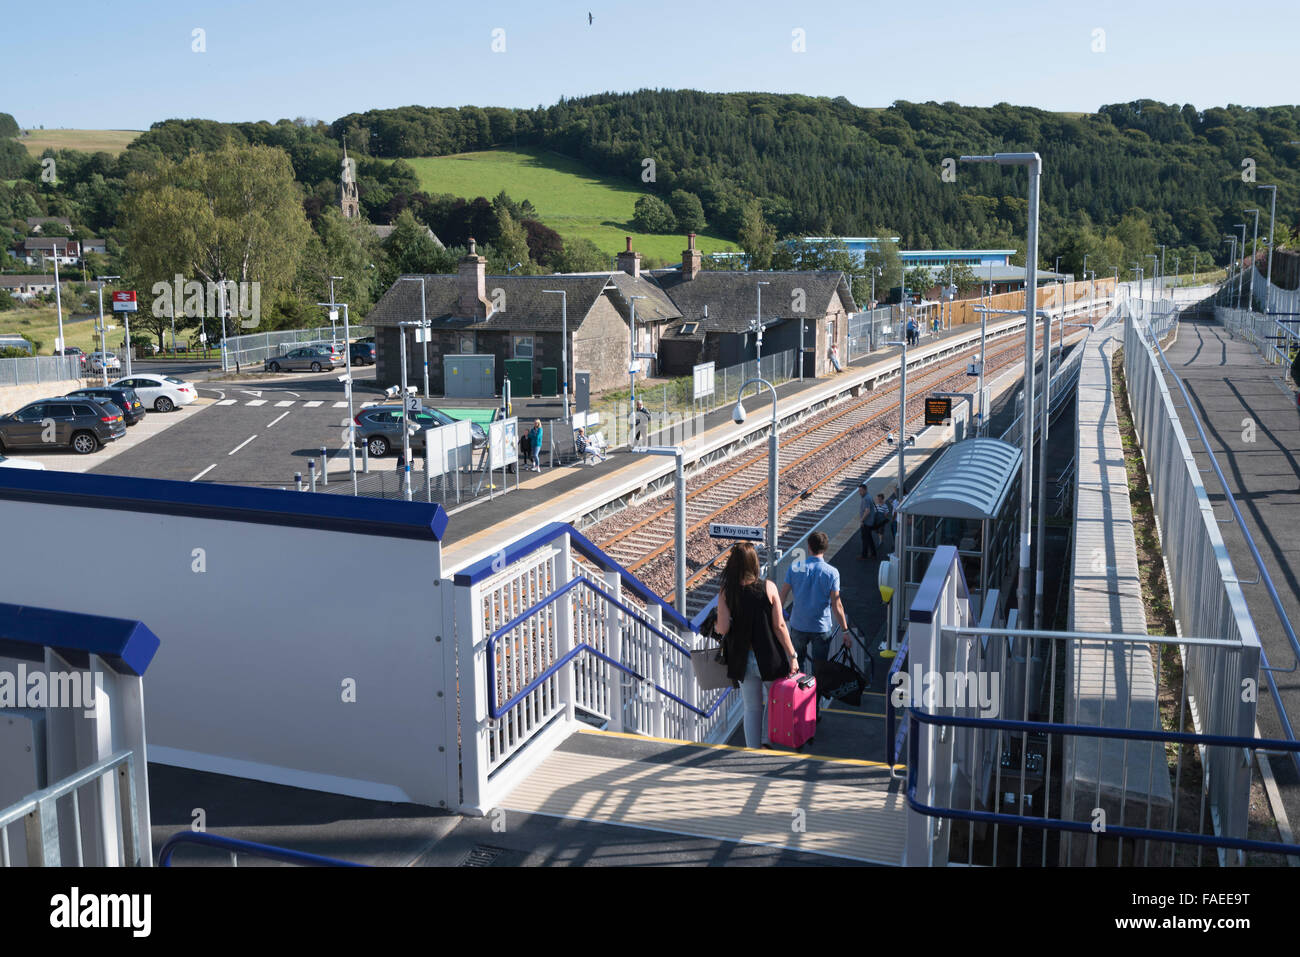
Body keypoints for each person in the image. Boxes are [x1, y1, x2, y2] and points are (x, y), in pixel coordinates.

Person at [714, 542, 799, 749]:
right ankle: (766, 741)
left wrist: (716, 625)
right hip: (769, 657)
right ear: (754, 563)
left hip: (742, 658)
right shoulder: (768, 587)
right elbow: (779, 626)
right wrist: (792, 655)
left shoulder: (726, 592)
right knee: (774, 700)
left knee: (751, 708)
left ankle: (752, 749)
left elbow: (723, 629)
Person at [780, 531, 850, 677]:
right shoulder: (832, 573)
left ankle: (799, 694)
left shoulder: (794, 568)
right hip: (821, 627)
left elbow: (783, 595)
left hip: (798, 624)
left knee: (797, 665)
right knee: (819, 669)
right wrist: (845, 631)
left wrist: (779, 617)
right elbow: (837, 605)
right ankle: (815, 697)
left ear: (809, 547)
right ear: (825, 548)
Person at [857, 483, 876, 559]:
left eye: (861, 490)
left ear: (865, 490)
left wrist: (862, 520)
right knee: (869, 538)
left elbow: (867, 511)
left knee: (865, 539)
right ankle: (873, 554)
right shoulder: (868, 496)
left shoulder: (866, 498)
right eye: (859, 491)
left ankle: (864, 555)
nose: (859, 492)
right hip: (869, 521)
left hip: (867, 522)